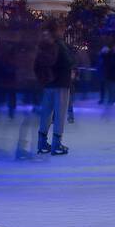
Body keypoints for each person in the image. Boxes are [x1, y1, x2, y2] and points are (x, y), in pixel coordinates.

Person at [34, 20, 74, 155]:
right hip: (61, 83)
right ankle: (57, 144)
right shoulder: (59, 44)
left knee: (46, 113)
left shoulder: (43, 44)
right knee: (60, 114)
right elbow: (69, 62)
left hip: (48, 83)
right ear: (56, 30)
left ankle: (42, 142)